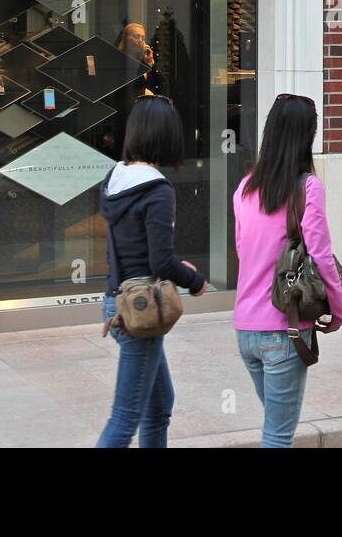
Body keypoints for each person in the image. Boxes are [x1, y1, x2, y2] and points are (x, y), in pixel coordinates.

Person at [232, 93, 342, 448]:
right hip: (285, 329)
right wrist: (339, 309)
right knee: (278, 437)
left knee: (276, 428)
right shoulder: (307, 187)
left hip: (246, 330)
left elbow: (243, 252)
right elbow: (321, 256)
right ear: (308, 136)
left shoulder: (245, 187)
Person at [96, 96, 208, 448]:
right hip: (140, 310)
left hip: (117, 301)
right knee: (125, 419)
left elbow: (138, 251)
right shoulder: (157, 190)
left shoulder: (115, 179)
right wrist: (194, 280)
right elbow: (161, 262)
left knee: (158, 407)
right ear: (166, 136)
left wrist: (177, 268)